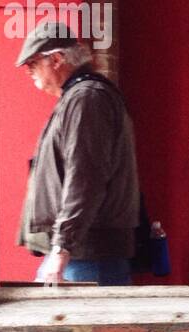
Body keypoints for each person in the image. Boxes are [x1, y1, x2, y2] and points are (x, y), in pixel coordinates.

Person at [15, 21, 140, 286]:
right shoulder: (80, 96)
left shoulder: (86, 99)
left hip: (86, 256)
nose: (29, 72)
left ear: (57, 59)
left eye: (33, 63)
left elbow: (85, 179)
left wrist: (61, 250)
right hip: (82, 253)